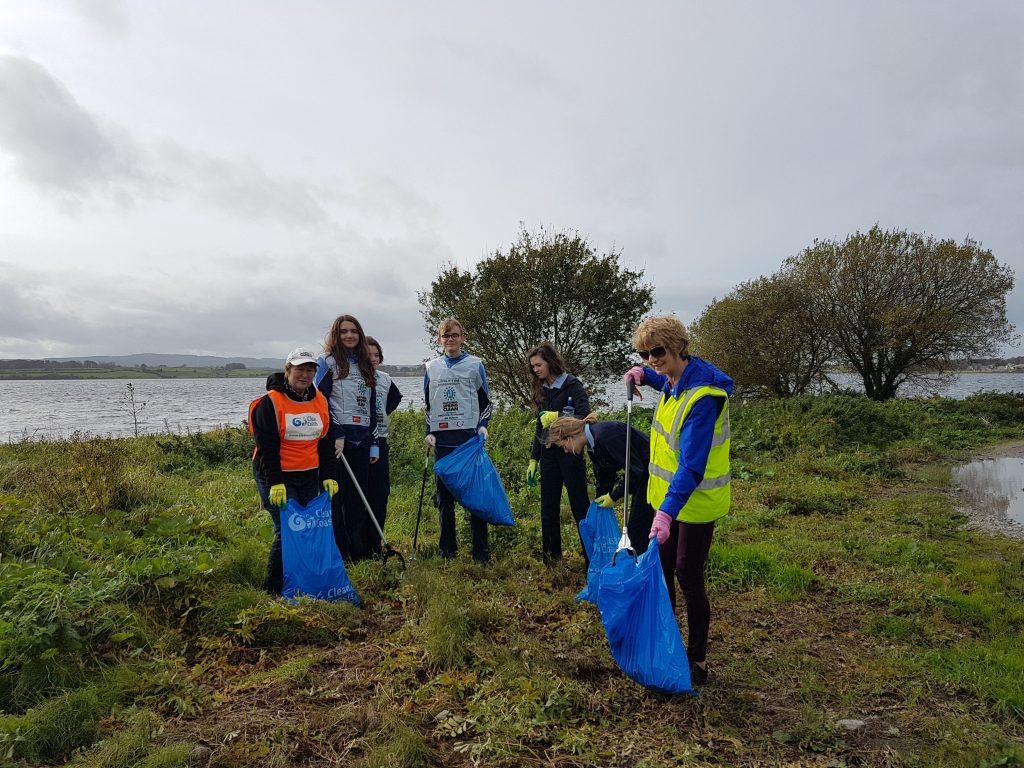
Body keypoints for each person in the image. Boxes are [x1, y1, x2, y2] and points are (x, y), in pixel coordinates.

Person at [623, 315, 733, 687]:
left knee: (688, 573)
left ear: (679, 347)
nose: (652, 358)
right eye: (645, 353)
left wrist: (667, 513)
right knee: (663, 570)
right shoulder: (673, 381)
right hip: (665, 501)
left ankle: (697, 657)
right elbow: (667, 379)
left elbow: (692, 466)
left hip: (695, 503)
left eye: (658, 351)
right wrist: (641, 375)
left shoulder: (703, 399)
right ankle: (667, 645)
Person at [249, 347, 338, 595]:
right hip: (275, 473)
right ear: (288, 370)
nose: (305, 374)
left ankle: (304, 582)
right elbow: (267, 448)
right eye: (300, 368)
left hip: (308, 473)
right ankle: (273, 590)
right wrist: (275, 482)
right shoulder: (270, 403)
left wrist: (329, 475)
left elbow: (325, 442)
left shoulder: (319, 400)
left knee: (307, 527)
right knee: (288, 530)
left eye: (310, 369)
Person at [424, 317, 493, 564]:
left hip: (469, 444)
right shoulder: (431, 367)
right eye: (445, 336)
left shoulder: (475, 365)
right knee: (444, 501)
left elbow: (486, 403)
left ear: (462, 337)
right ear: (439, 340)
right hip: (443, 444)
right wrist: (428, 432)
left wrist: (483, 426)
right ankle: (447, 552)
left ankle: (481, 554)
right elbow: (429, 406)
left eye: (454, 335)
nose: (450, 340)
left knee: (476, 500)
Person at [545, 412, 655, 555]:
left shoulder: (606, 435)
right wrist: (598, 504)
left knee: (637, 527)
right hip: (642, 471)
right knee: (636, 527)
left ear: (569, 436)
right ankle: (636, 563)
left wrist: (614, 496)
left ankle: (637, 568)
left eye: (563, 445)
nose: (565, 451)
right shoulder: (592, 445)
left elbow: (635, 471)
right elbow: (605, 474)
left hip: (651, 470)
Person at [314, 315, 378, 562]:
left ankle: (357, 550)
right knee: (336, 500)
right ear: (335, 335)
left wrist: (373, 443)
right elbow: (319, 400)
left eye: (353, 331)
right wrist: (336, 433)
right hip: (336, 443)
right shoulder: (327, 362)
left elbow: (372, 407)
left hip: (361, 440)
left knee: (357, 498)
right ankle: (339, 552)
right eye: (343, 332)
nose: (349, 336)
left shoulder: (364, 365)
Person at [526, 343, 591, 564]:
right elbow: (539, 425)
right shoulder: (541, 388)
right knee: (548, 508)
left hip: (570, 451)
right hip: (548, 454)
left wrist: (558, 417)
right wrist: (534, 459)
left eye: (538, 365)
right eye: (532, 366)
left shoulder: (572, 385)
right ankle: (552, 560)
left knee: (580, 506)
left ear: (550, 362)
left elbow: (584, 414)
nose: (535, 370)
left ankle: (591, 559)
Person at [366, 336, 403, 556]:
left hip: (380, 440)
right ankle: (357, 546)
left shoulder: (385, 378)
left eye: (376, 355)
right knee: (359, 495)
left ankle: (375, 545)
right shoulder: (352, 377)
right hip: (359, 442)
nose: (372, 359)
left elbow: (396, 398)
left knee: (380, 495)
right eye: (367, 355)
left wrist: (382, 413)